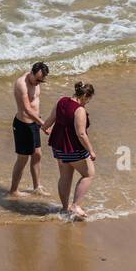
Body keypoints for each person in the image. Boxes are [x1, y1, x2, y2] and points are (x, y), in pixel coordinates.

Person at [42, 81, 97, 219]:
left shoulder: (61, 101)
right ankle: (76, 206)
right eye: (88, 99)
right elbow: (81, 134)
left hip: (58, 147)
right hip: (73, 148)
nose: (87, 102)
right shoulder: (79, 110)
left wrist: (45, 128)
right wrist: (91, 150)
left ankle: (65, 209)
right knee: (89, 174)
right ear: (84, 95)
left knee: (65, 177)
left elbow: (49, 121)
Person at [8, 62, 49, 196]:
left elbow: (35, 103)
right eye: (37, 79)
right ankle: (14, 190)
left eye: (41, 81)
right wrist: (43, 124)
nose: (38, 83)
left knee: (37, 154)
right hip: (23, 125)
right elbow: (26, 108)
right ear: (31, 72)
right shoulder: (22, 84)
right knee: (23, 158)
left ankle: (37, 187)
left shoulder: (36, 83)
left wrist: (39, 120)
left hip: (34, 123)